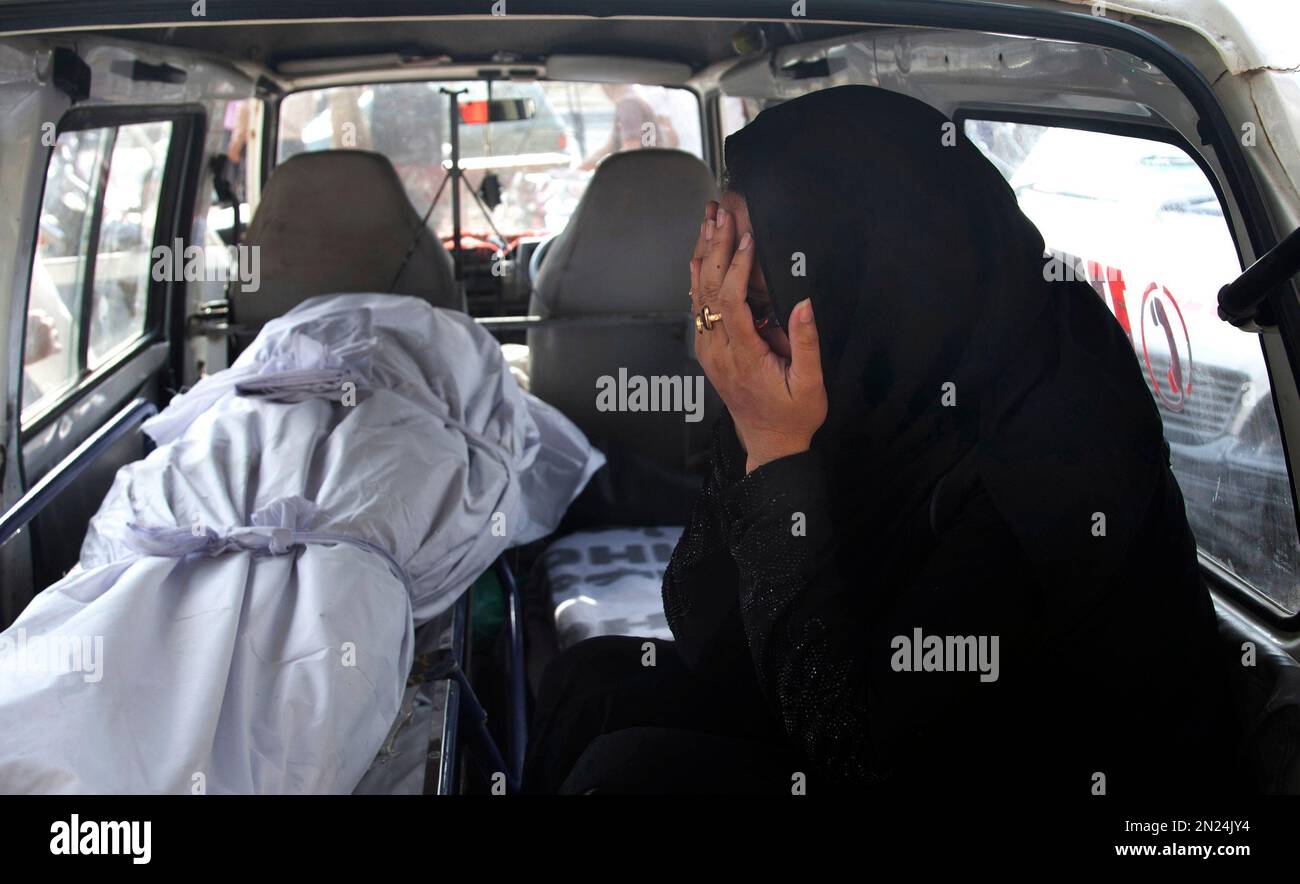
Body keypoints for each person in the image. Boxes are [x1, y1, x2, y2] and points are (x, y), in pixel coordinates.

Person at [525, 85, 1237, 796]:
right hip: (868, 716)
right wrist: (747, 421)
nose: (734, 331)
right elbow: (706, 626)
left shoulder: (1056, 443)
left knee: (628, 779)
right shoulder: (877, 369)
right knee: (591, 686)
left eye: (756, 306)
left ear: (860, 264)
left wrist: (774, 446)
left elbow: (859, 752)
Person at [579, 83, 676, 171]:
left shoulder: (629, 105)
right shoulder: (631, 101)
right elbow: (608, 147)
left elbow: (630, 152)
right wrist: (582, 169)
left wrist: (604, 169)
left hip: (646, 173)